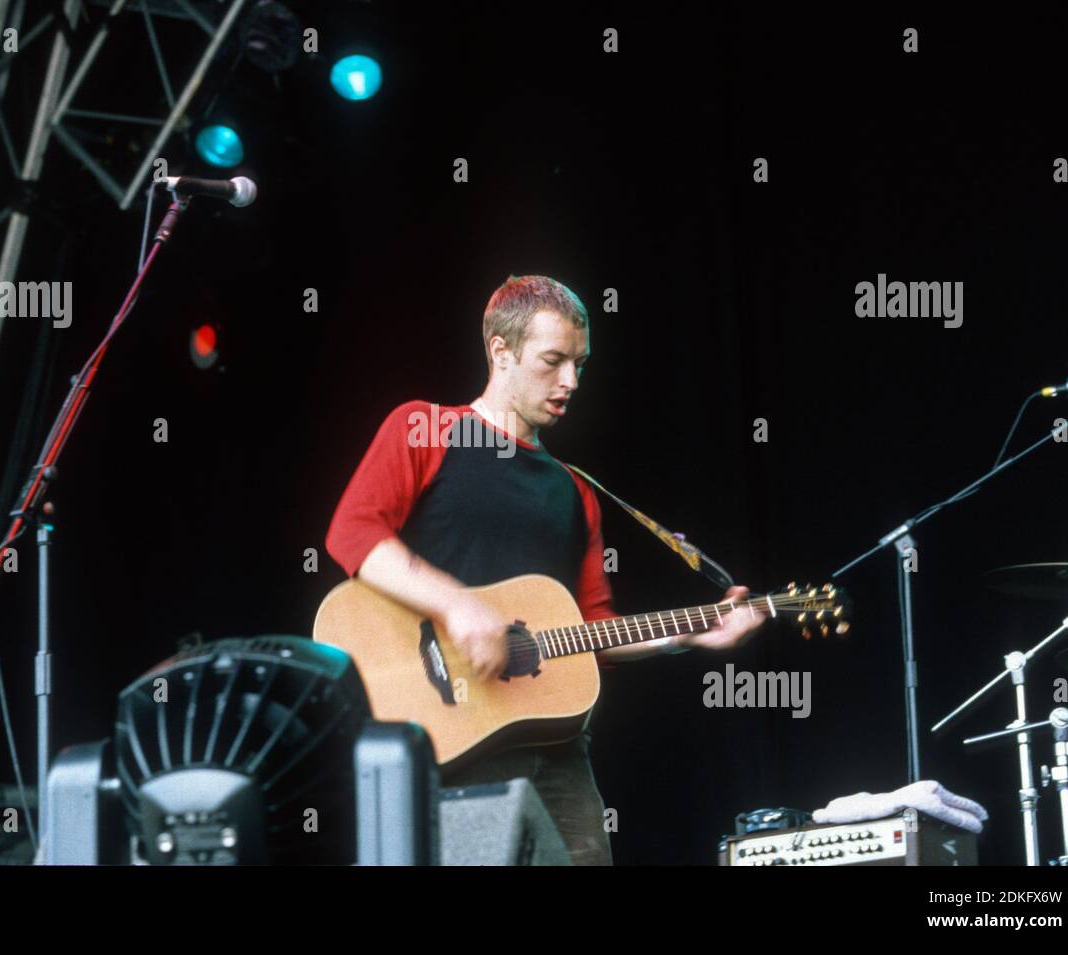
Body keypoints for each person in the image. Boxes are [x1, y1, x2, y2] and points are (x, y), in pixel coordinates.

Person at [324, 274, 765, 864]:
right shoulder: (424, 429)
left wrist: (690, 633)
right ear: (500, 351)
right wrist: (454, 605)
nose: (570, 382)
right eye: (553, 360)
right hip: (444, 740)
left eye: (579, 364)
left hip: (558, 753)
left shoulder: (576, 492)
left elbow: (592, 631)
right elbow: (352, 533)